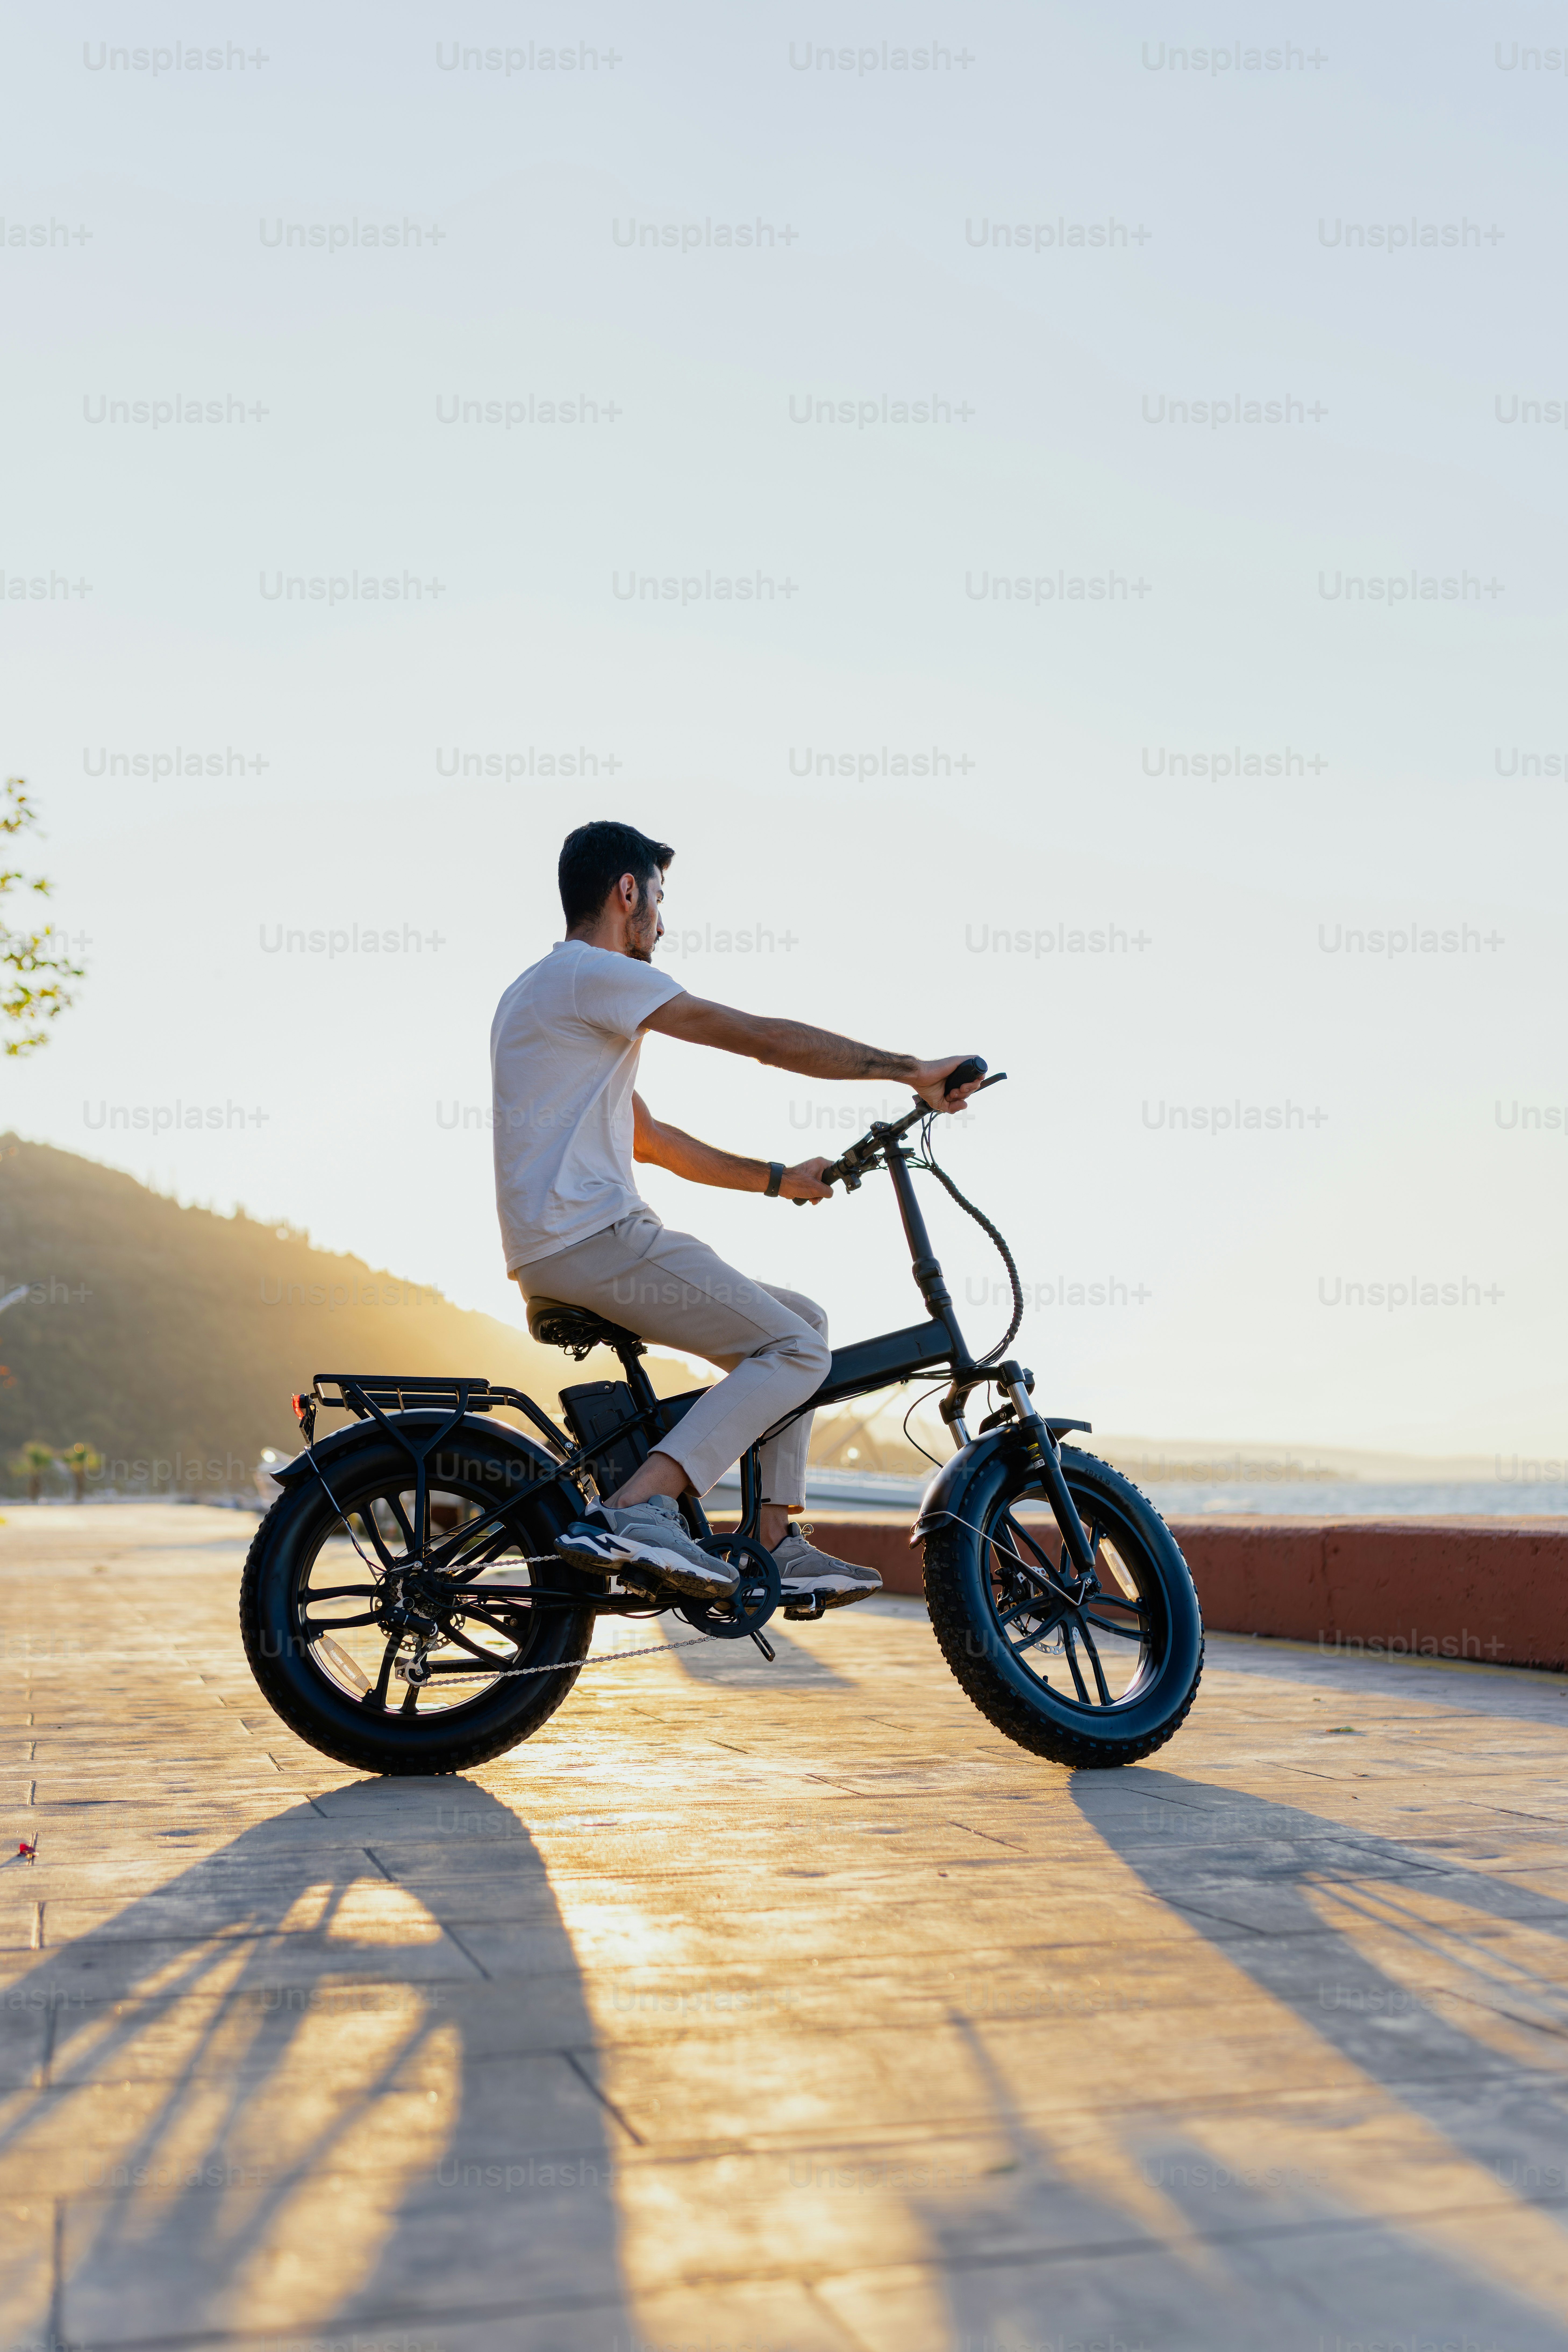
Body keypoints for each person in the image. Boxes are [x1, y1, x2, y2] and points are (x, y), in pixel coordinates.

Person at [490, 820, 983, 1609]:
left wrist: (778, 1178)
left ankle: (771, 1539)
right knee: (792, 1350)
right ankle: (639, 1507)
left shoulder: (543, 991)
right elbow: (757, 1038)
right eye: (658, 898)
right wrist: (909, 1070)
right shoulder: (592, 973)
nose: (663, 920)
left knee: (800, 1322)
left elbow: (647, 1139)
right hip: (593, 1237)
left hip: (557, 1246)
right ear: (628, 892)